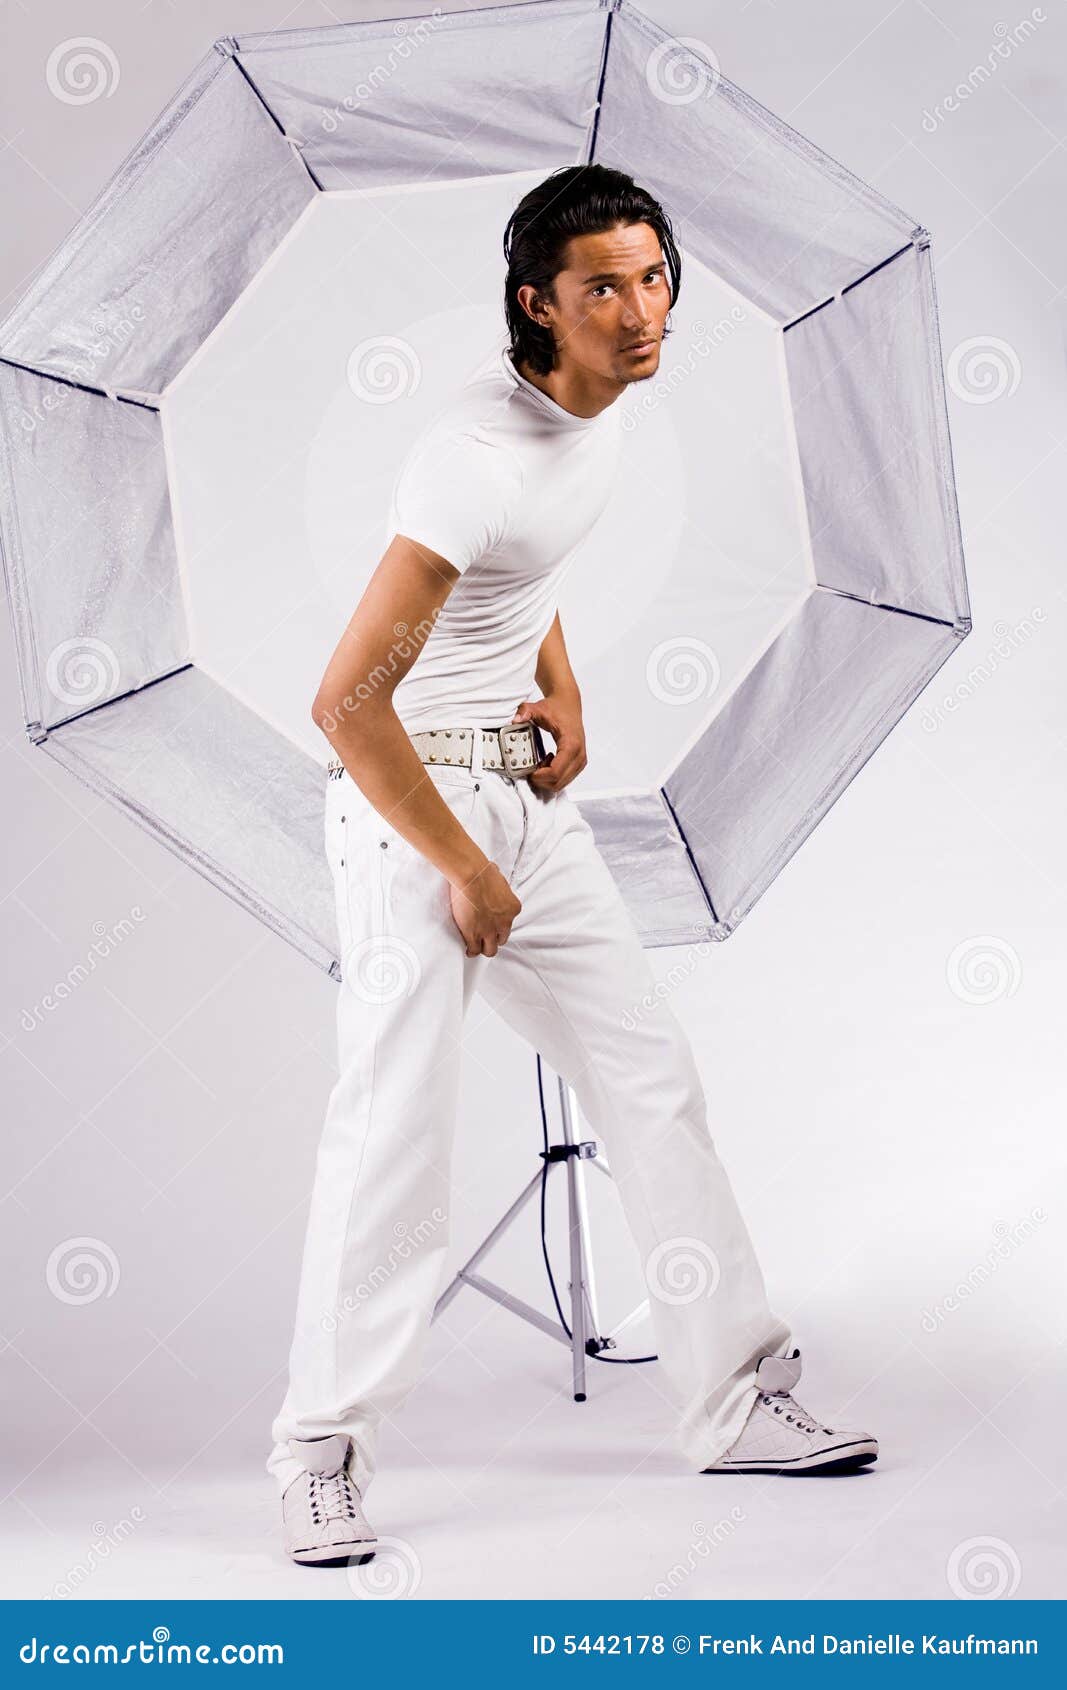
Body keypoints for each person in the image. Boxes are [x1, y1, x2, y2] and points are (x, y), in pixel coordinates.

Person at [267, 164, 878, 1568]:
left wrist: (569, 687)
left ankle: (736, 1398)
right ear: (536, 303)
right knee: (396, 1129)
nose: (641, 309)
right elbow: (348, 702)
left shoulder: (595, 414)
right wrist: (462, 869)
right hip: (407, 804)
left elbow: (514, 580)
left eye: (654, 275)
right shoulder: (470, 454)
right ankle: (317, 1452)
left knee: (650, 1080)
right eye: (603, 286)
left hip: (520, 795)